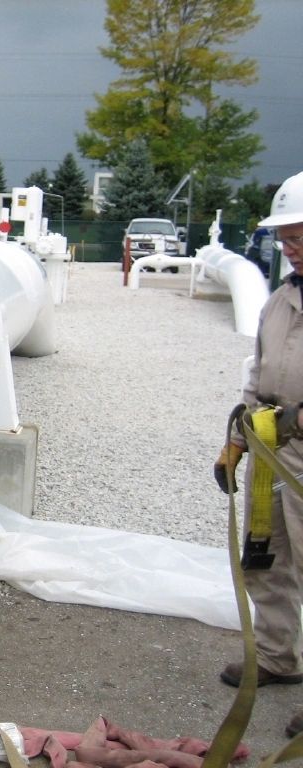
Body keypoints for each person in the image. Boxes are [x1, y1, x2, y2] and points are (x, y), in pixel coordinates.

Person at [214, 170, 303, 738]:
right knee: (268, 561)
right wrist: (238, 439)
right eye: (287, 239)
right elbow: (259, 375)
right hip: (275, 451)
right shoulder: (281, 301)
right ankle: (277, 656)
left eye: (299, 237)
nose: (289, 248)